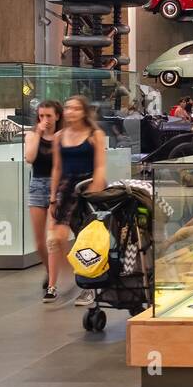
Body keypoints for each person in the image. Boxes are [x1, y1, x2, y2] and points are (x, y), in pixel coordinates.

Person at [50, 95, 107, 306]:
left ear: (83, 111)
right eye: (67, 108)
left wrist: (96, 191)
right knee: (58, 237)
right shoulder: (59, 136)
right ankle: (73, 277)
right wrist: (52, 196)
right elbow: (56, 168)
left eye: (75, 108)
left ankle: (90, 287)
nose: (70, 112)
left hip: (89, 187)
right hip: (67, 189)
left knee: (87, 239)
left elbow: (100, 165)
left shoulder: (95, 135)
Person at [25, 99, 62, 301]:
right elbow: (30, 158)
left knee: (51, 238)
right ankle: (50, 270)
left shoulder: (61, 136)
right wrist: (39, 133)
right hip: (37, 184)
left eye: (49, 116)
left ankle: (52, 284)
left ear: (57, 115)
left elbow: (60, 163)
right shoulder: (32, 135)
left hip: (57, 186)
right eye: (41, 116)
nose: (45, 120)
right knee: (39, 241)